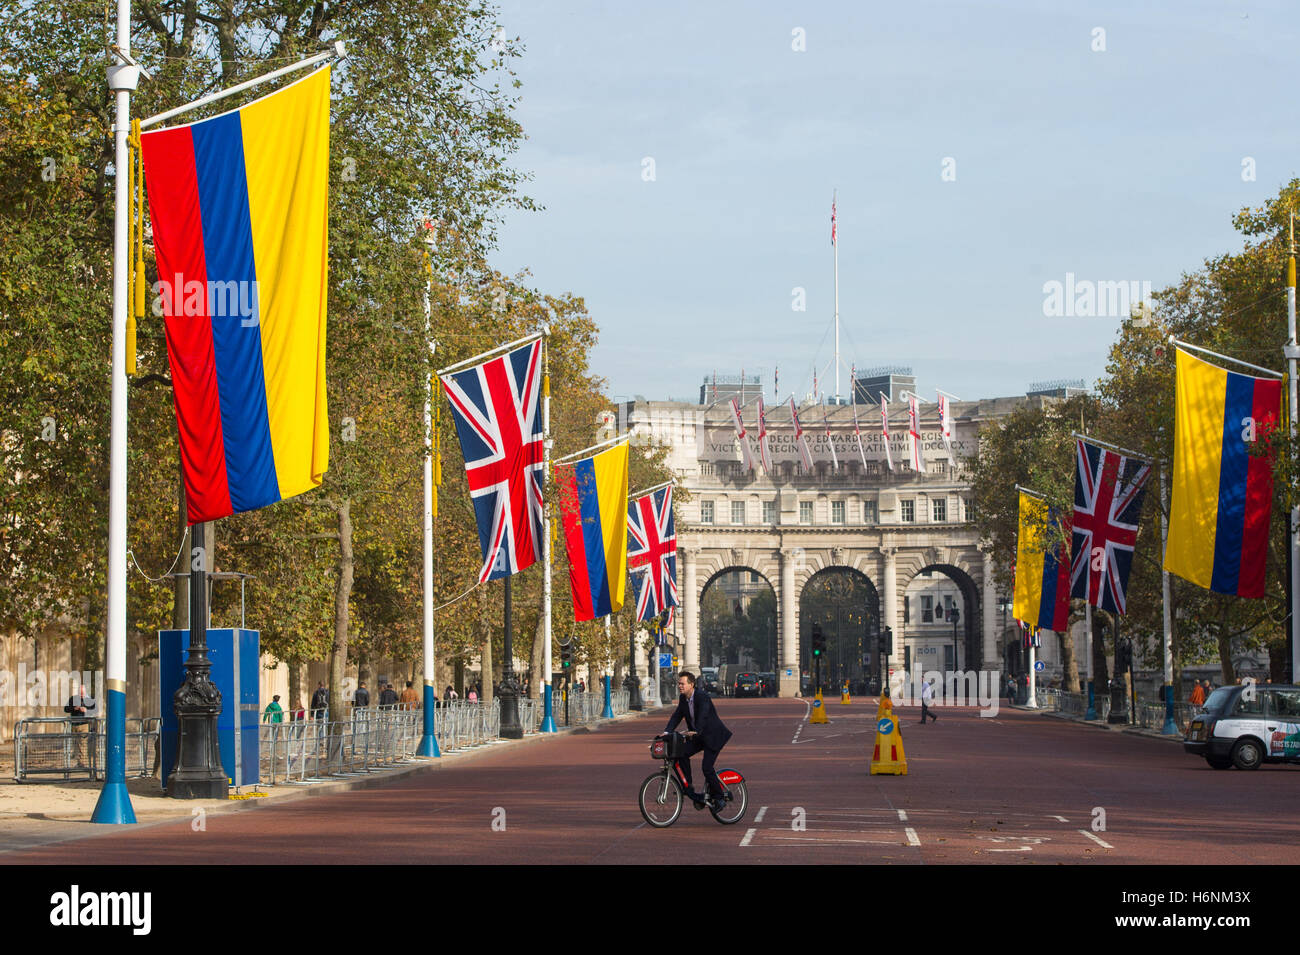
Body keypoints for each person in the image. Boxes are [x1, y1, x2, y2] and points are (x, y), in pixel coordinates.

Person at [661, 671, 733, 809]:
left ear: (691, 684)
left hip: (713, 736)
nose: (679, 686)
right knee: (681, 753)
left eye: (682, 684)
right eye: (678, 684)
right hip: (698, 736)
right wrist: (666, 732)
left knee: (706, 767)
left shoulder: (702, 696)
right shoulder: (683, 699)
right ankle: (689, 787)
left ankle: (719, 797)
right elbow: (676, 716)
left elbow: (703, 714)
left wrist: (696, 730)